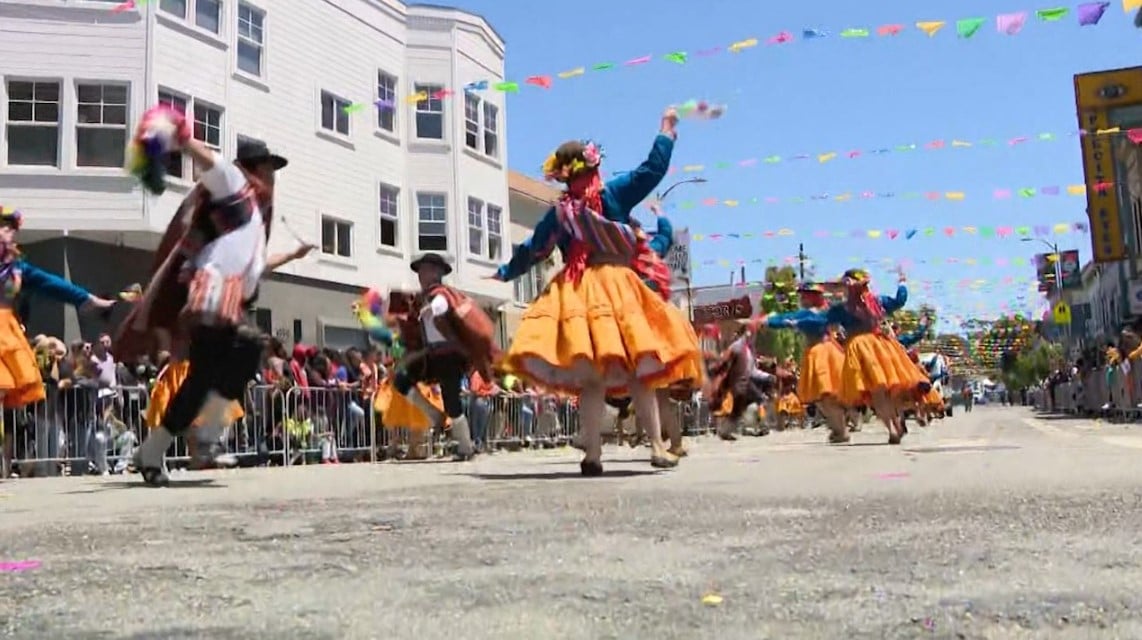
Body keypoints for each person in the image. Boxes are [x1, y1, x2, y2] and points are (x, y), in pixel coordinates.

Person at [490, 108, 703, 475]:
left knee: (591, 381)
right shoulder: (612, 194)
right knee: (640, 374)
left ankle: (592, 454)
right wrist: (666, 134)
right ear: (593, 167)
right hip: (619, 286)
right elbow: (651, 171)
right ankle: (655, 446)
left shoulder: (560, 214)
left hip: (579, 289)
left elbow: (533, 250)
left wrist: (506, 272)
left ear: (563, 175)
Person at [118, 105, 287, 486]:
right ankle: (207, 434)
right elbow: (212, 162)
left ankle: (153, 450)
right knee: (245, 346)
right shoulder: (236, 186)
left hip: (225, 297)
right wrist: (181, 136)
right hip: (212, 291)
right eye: (269, 169)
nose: (273, 178)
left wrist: (294, 254)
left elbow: (256, 267)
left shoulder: (252, 222)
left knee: (204, 378)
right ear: (254, 169)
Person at [0, 206, 116, 477]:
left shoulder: (17, 269)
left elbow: (52, 284)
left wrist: (88, 299)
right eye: (3, 227)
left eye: (11, 229)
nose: (8, 234)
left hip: (5, 335)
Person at [387, 254, 498, 462]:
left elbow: (442, 304)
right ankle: (433, 415)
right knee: (401, 379)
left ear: (437, 272)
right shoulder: (418, 298)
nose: (421, 274)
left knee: (452, 402)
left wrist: (432, 307)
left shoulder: (442, 293)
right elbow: (408, 325)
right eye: (419, 271)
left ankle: (466, 447)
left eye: (425, 270)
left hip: (450, 355)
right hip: (430, 354)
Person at [827, 269, 929, 444]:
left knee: (881, 393)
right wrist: (902, 283)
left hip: (870, 348)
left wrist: (902, 282)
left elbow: (899, 301)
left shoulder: (866, 304)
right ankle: (894, 427)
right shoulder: (856, 306)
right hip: (873, 348)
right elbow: (899, 301)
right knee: (880, 392)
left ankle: (894, 426)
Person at [763, 284, 849, 443]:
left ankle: (841, 429)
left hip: (823, 353)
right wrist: (769, 320)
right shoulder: (810, 313)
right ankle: (839, 428)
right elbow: (785, 318)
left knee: (825, 394)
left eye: (804, 296)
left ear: (812, 297)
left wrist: (774, 321)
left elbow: (796, 320)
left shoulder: (820, 313)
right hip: (818, 352)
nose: (801, 299)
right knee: (822, 396)